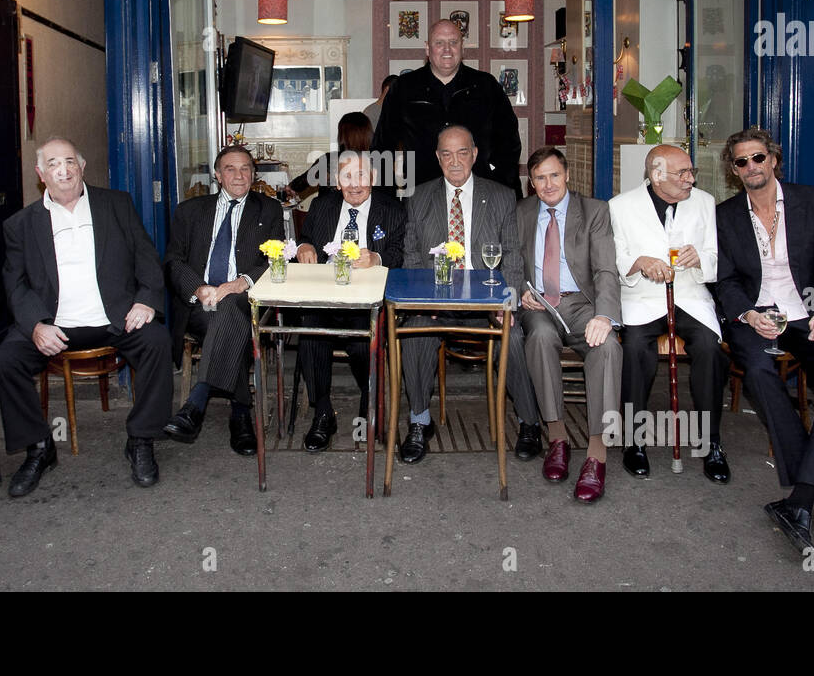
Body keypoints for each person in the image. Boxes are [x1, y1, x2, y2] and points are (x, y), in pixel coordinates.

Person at [715, 127, 814, 559]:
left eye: (758, 158)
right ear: (733, 170)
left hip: (807, 315)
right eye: (742, 162)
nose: (752, 167)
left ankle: (801, 499)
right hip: (755, 317)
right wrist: (746, 314)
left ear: (774, 160)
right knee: (762, 375)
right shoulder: (725, 215)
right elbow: (725, 281)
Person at [0, 137, 173, 493]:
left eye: (70, 161)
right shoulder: (21, 224)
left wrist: (146, 300)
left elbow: (146, 257)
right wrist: (35, 325)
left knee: (156, 341)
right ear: (40, 174)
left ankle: (140, 439)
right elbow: (15, 283)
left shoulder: (115, 204)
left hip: (115, 318)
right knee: (5, 358)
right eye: (54, 163)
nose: (64, 170)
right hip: (55, 324)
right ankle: (39, 447)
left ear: (82, 167)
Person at [396, 125, 542, 464]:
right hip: (437, 300)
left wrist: (507, 303)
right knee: (414, 332)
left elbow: (513, 256)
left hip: (486, 301)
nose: (455, 161)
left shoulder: (503, 196)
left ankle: (528, 422)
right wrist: (426, 300)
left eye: (462, 152)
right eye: (446, 154)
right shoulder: (419, 197)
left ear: (475, 154)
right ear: (437, 157)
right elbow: (412, 258)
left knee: (515, 335)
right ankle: (419, 421)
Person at [609, 144, 730, 484]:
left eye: (692, 172)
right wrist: (640, 263)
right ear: (656, 175)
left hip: (689, 294)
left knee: (709, 348)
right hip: (643, 297)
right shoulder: (621, 207)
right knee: (634, 348)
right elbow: (616, 259)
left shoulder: (704, 203)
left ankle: (711, 442)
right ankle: (634, 440)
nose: (691, 179)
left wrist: (701, 259)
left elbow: (718, 258)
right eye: (683, 173)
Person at [163, 145, 285, 455]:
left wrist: (239, 283)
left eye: (245, 168)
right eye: (230, 169)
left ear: (254, 174)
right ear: (218, 175)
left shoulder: (268, 209)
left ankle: (198, 400)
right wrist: (199, 287)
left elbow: (274, 257)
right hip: (199, 304)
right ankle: (240, 413)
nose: (239, 175)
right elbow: (174, 261)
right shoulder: (189, 211)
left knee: (232, 309)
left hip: (244, 298)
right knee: (233, 324)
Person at [516, 147, 622, 502]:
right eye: (540, 178)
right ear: (531, 183)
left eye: (554, 175)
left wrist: (604, 315)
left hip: (581, 303)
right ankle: (557, 437)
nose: (548, 184)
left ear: (567, 175)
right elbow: (509, 263)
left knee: (607, 348)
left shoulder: (594, 211)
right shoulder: (522, 212)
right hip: (539, 302)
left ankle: (596, 454)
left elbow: (606, 269)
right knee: (540, 338)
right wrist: (518, 292)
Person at [293, 150, 406, 450]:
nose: (354, 185)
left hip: (366, 302)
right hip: (326, 297)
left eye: (361, 176)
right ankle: (323, 412)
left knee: (363, 340)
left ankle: (369, 406)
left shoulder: (392, 209)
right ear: (336, 181)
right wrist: (304, 246)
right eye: (347, 177)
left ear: (373, 177)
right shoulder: (322, 206)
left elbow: (401, 254)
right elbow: (305, 237)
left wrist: (377, 257)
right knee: (311, 332)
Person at [373, 19, 522, 196]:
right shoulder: (403, 88)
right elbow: (382, 148)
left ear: (462, 46)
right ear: (428, 48)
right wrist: (386, 201)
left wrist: (497, 184)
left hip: (480, 197)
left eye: (453, 42)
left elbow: (509, 143)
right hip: (421, 197)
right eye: (439, 43)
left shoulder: (486, 87)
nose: (447, 49)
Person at [288, 111, 373, 202]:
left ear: (342, 136)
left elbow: (299, 184)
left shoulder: (328, 160)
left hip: (328, 213)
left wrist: (290, 187)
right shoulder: (378, 162)